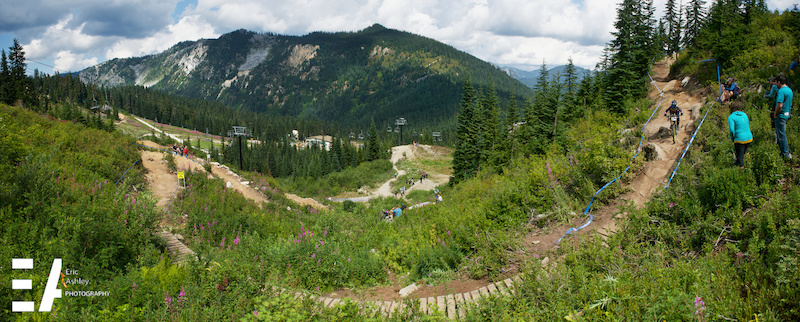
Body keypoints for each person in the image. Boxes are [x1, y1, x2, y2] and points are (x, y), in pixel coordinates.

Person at [728, 101, 753, 168]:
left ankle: (741, 169)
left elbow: (732, 130)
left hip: (740, 140)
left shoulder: (731, 117)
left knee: (740, 157)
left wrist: (732, 138)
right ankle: (749, 161)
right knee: (745, 150)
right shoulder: (744, 115)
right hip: (749, 137)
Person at [774, 73, 793, 159]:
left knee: (781, 135)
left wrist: (775, 113)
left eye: (776, 82)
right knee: (781, 134)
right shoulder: (789, 90)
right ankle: (780, 149)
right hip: (787, 115)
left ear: (778, 82)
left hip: (781, 115)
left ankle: (785, 154)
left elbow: (780, 105)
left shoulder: (781, 91)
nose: (776, 84)